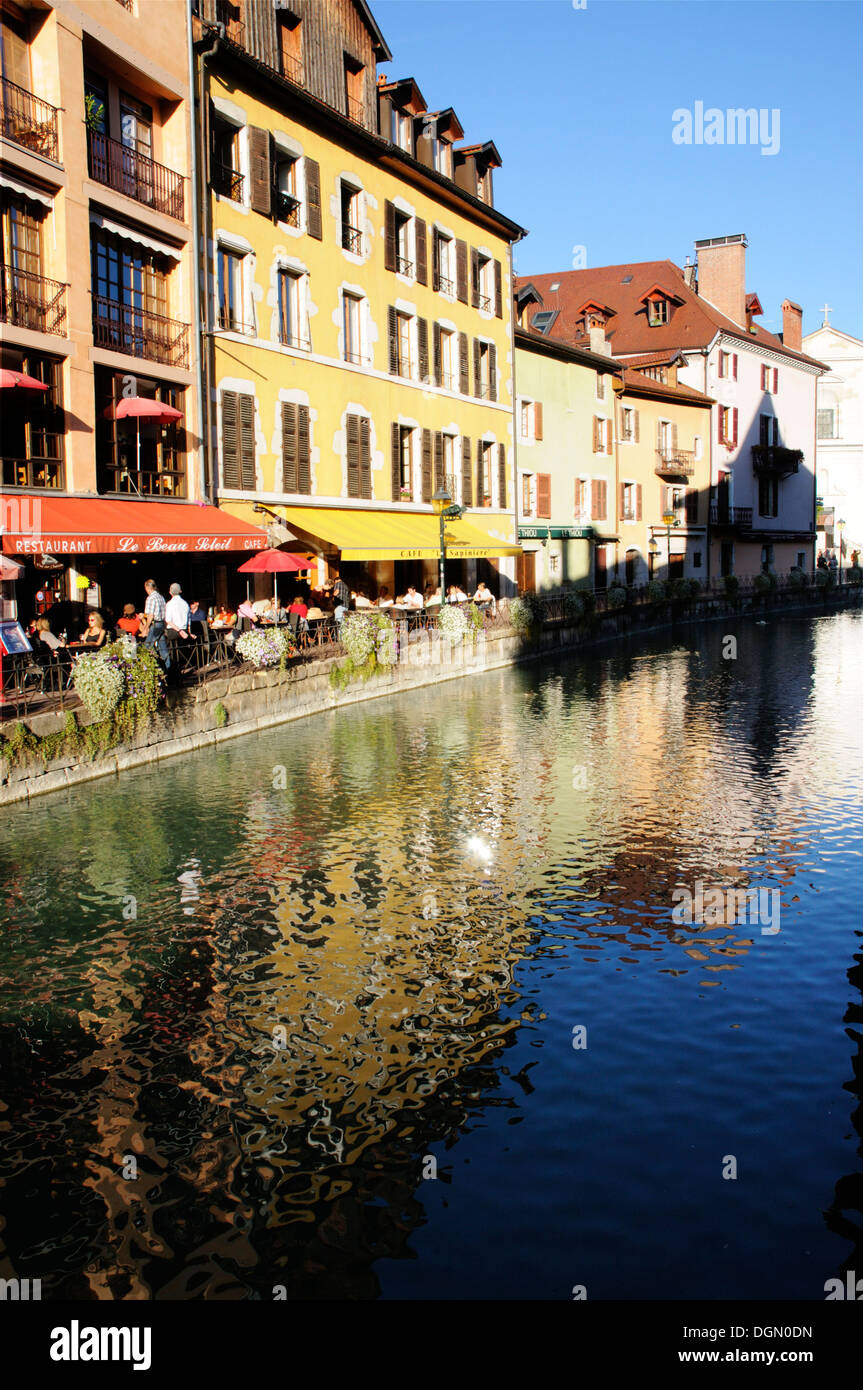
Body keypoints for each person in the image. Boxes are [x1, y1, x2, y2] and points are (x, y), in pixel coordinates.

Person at [141, 579, 170, 667]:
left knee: (147, 646)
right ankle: (168, 669)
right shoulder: (161, 597)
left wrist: (145, 628)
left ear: (147, 587)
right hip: (161, 623)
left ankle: (152, 667)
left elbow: (150, 615)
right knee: (163, 648)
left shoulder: (150, 598)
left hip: (155, 624)